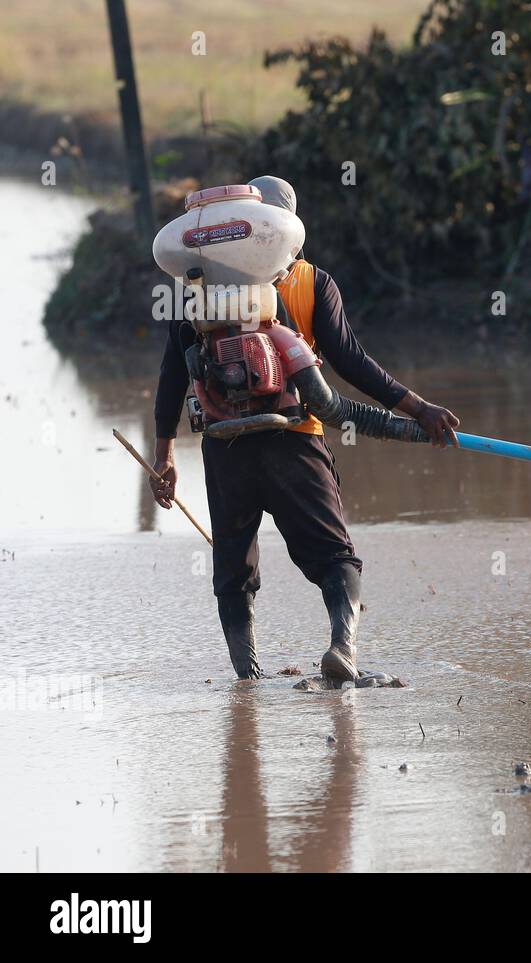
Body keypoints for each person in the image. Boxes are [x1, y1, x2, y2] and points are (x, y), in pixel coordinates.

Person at [148, 175, 460, 683]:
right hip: (294, 437)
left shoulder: (196, 287)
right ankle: (343, 647)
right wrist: (417, 408)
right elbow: (351, 363)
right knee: (336, 558)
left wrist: (163, 456)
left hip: (226, 450)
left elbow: (171, 377)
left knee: (233, 572)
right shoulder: (313, 281)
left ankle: (247, 679)